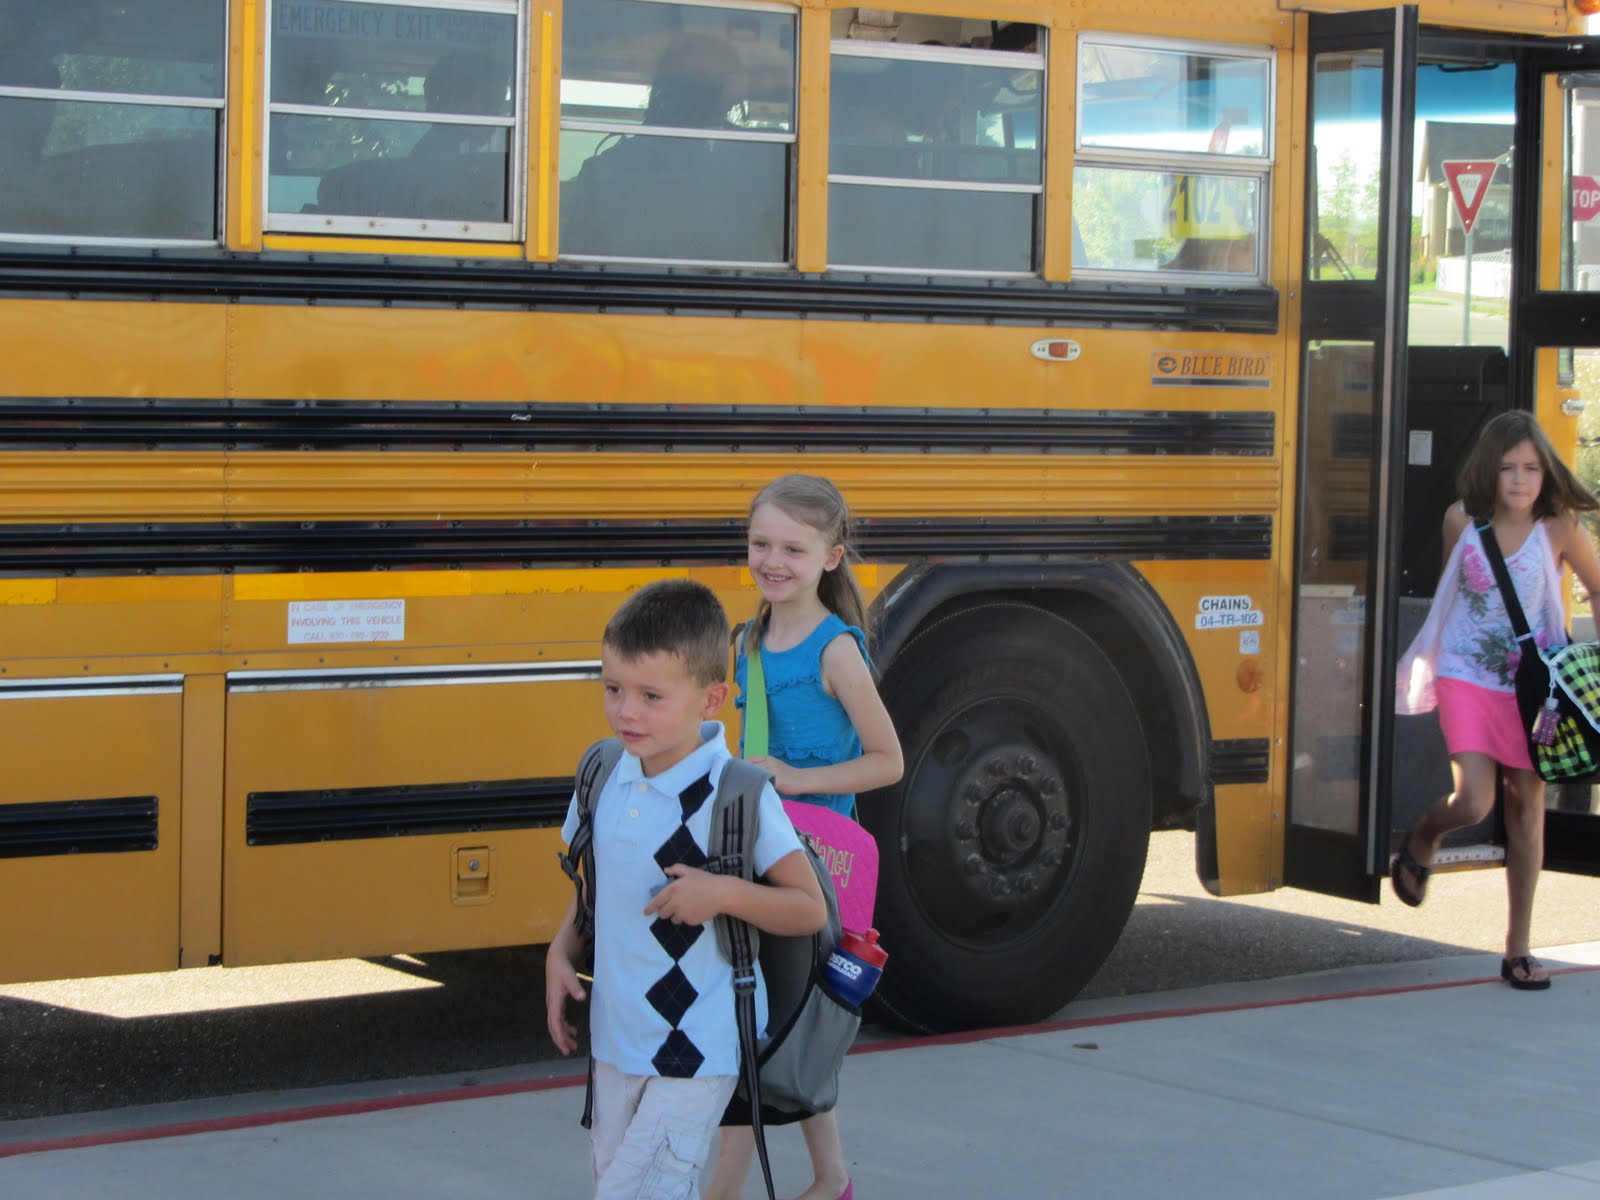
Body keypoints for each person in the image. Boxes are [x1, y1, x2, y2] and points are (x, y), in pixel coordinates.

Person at [545, 579, 827, 1199]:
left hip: (696, 1051)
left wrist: (722, 895)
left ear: (711, 699)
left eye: (651, 696)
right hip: (615, 1044)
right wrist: (559, 953)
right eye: (613, 689)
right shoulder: (601, 772)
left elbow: (807, 909)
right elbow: (592, 881)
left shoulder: (738, 794)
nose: (626, 712)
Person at [705, 475, 904, 1200]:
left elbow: (889, 761)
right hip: (761, 856)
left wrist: (793, 778)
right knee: (780, 1027)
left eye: (793, 546)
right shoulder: (748, 640)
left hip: (822, 870)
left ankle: (720, 1193)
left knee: (765, 1030)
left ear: (831, 557)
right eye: (760, 543)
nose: (772, 559)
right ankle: (832, 1181)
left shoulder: (834, 650)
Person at [1394, 410, 1600, 989]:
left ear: (1545, 473)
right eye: (1508, 467)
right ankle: (1426, 834)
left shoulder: (1559, 527)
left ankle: (1517, 949)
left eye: (1532, 468)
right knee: (1474, 800)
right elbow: (1451, 596)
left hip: (1536, 691)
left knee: (1526, 811)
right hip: (1465, 675)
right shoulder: (1461, 521)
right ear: (1490, 469)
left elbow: (1597, 585)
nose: (1519, 479)